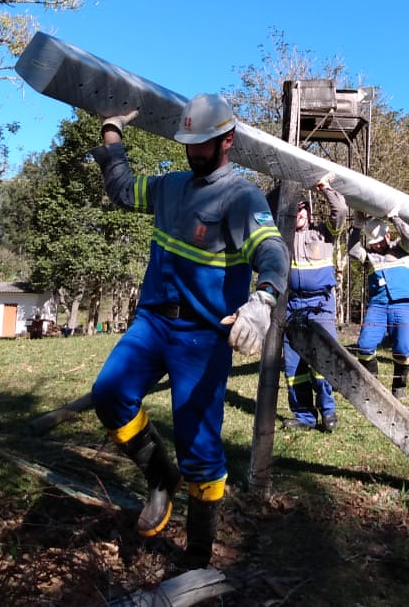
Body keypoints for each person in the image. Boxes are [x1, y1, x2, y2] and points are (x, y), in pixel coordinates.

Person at [89, 94, 289, 570]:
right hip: (153, 321)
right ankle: (161, 476)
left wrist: (262, 302)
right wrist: (112, 132)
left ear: (227, 141)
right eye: (189, 144)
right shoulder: (171, 186)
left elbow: (272, 250)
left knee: (199, 447)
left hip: (202, 336)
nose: (194, 153)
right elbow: (123, 190)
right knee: (109, 395)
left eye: (203, 144)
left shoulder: (241, 197)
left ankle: (197, 554)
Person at [280, 173, 349, 432]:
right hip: (292, 307)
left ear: (308, 212)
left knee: (323, 361)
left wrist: (325, 188)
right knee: (293, 367)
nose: (298, 213)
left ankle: (328, 412)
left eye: (301, 209)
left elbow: (340, 211)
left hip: (320, 306)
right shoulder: (282, 237)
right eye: (294, 209)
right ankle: (304, 417)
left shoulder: (324, 234)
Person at [348, 210, 409, 399]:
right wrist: (357, 226)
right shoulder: (369, 255)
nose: (376, 245)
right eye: (373, 243)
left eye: (379, 241)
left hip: (402, 304)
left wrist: (394, 217)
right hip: (378, 306)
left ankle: (398, 387)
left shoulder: (402, 248)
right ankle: (373, 385)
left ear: (388, 235)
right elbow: (353, 250)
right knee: (364, 346)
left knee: (402, 349)